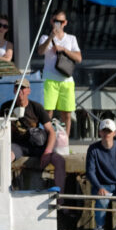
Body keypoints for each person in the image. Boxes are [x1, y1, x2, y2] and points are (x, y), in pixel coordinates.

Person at [0, 79, 65, 191]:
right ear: (14, 90)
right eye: (17, 87)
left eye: (23, 88)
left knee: (59, 160)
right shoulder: (6, 107)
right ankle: (6, 190)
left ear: (29, 91)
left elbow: (51, 131)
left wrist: (47, 151)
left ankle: (59, 194)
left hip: (36, 146)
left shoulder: (36, 107)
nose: (20, 91)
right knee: (5, 157)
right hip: (17, 146)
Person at [37, 11, 82, 139]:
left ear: (65, 23)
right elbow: (40, 52)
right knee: (47, 112)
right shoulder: (45, 37)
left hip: (66, 80)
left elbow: (79, 58)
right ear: (51, 21)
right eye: (56, 21)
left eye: (61, 21)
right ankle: (46, 139)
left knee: (67, 113)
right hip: (49, 80)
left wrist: (64, 50)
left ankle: (65, 140)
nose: (58, 24)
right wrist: (51, 37)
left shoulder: (71, 38)